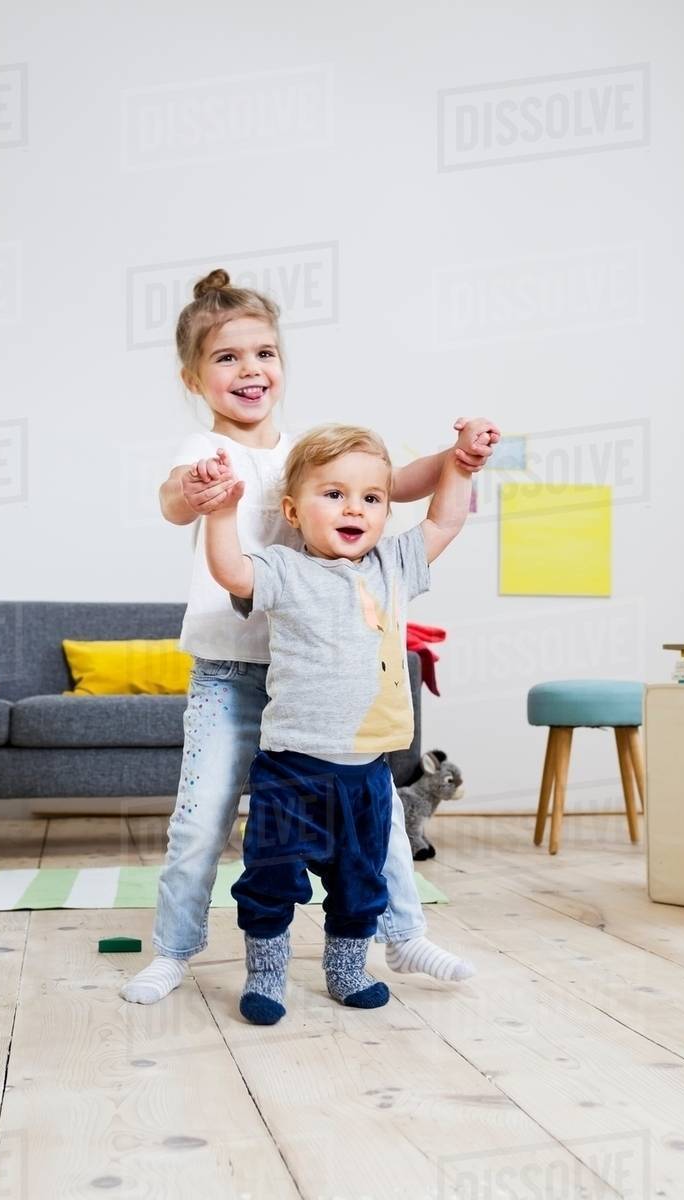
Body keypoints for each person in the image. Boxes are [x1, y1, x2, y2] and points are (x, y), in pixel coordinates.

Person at [120, 268, 499, 1006]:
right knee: (201, 822)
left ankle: (404, 932)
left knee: (378, 815)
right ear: (193, 377)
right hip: (234, 673)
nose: (248, 369)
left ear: (281, 365)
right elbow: (173, 502)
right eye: (226, 358)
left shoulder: (309, 452)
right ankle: (174, 949)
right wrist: (198, 494)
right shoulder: (205, 449)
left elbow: (399, 480)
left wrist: (458, 460)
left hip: (323, 685)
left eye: (263, 353)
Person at [203, 422, 488, 1024]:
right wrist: (222, 514)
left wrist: (459, 465)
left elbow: (444, 522)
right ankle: (267, 974)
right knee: (270, 880)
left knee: (360, 884)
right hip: (292, 772)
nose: (354, 508)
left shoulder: (393, 564)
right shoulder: (284, 568)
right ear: (293, 509)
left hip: (366, 776)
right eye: (333, 494)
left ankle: (347, 970)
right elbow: (232, 572)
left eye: (371, 497)